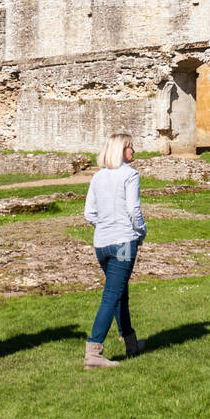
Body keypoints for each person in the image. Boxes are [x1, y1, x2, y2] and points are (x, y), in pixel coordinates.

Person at [83, 132, 146, 368]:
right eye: (130, 147)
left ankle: (131, 343)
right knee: (111, 295)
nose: (134, 151)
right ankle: (93, 352)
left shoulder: (98, 177)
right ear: (120, 150)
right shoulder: (130, 175)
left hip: (101, 244)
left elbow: (89, 213)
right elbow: (133, 210)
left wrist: (104, 224)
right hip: (122, 243)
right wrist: (141, 231)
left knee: (120, 292)